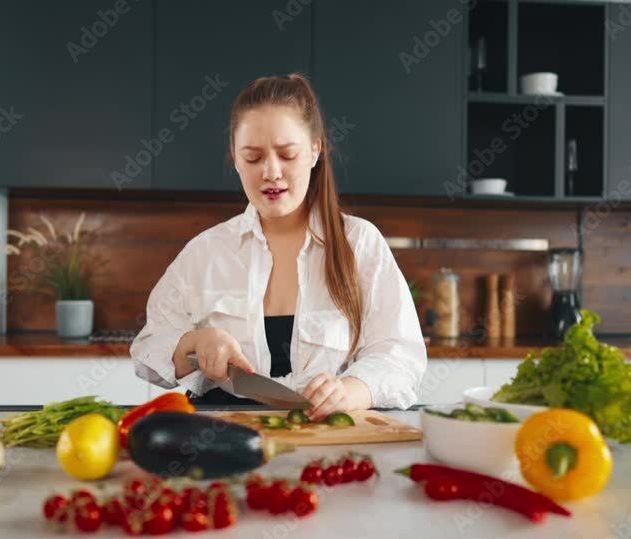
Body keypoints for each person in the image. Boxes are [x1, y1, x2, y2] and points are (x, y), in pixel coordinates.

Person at [130, 73, 427, 419]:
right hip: (222, 440)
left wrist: (350, 391)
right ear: (235, 158)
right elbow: (147, 352)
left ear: (315, 150)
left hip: (327, 438)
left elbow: (400, 360)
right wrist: (195, 343)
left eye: (287, 155)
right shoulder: (205, 253)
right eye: (253, 158)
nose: (271, 172)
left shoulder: (360, 243)